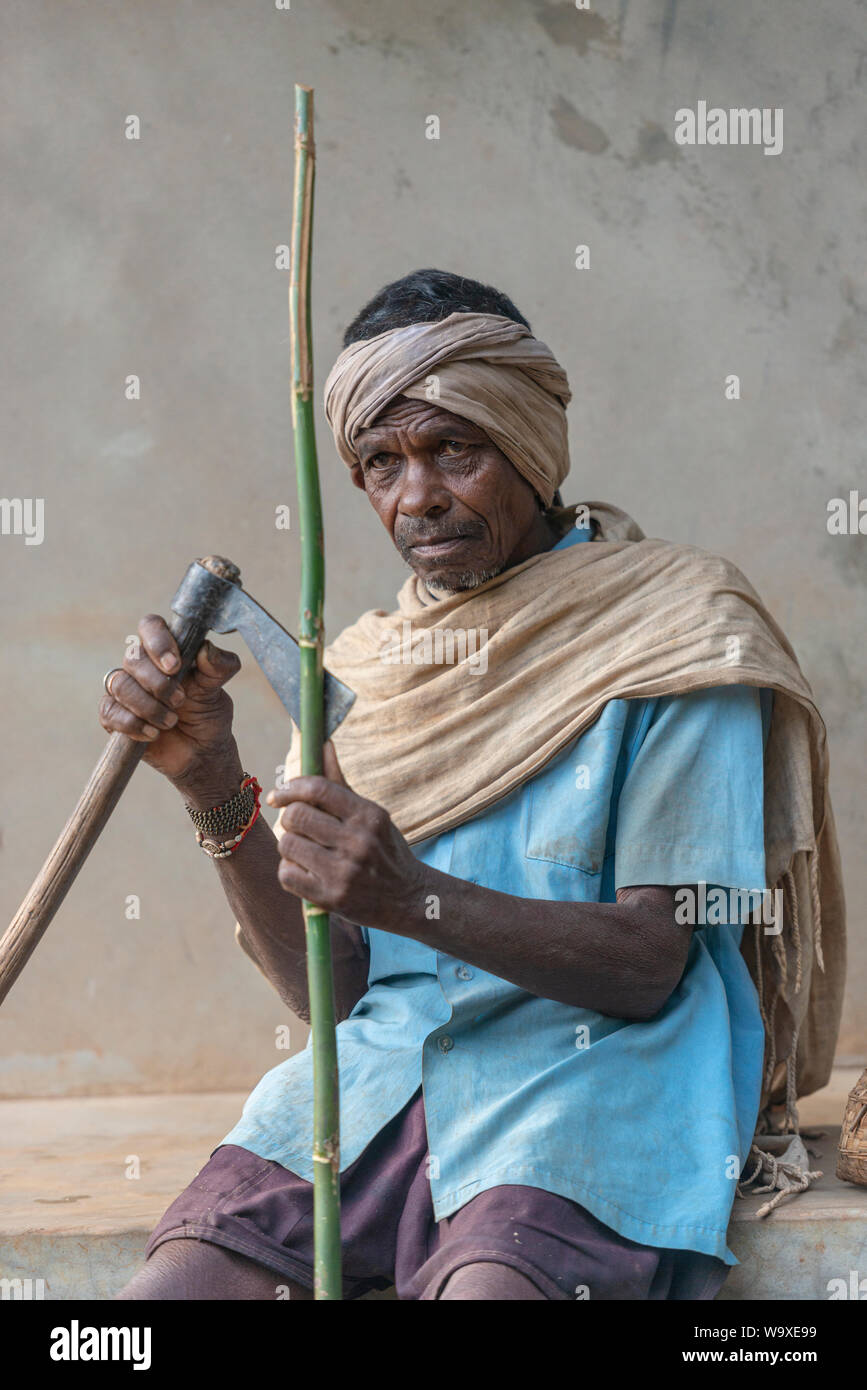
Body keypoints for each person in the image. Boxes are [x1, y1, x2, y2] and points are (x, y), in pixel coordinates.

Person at [105, 269, 843, 1301]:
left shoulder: (678, 631)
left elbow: (647, 966)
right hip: (367, 1095)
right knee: (156, 1303)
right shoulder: (362, 667)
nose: (418, 497)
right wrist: (213, 783)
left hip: (585, 1094)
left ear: (531, 445)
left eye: (455, 447)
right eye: (381, 460)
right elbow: (344, 994)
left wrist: (412, 895)